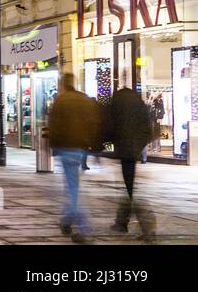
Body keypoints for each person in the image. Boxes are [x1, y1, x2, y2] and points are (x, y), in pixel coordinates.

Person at [47, 73, 100, 240]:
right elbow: (93, 123)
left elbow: (53, 126)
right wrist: (90, 144)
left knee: (72, 188)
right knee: (71, 185)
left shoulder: (60, 101)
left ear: (62, 84)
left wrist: (53, 146)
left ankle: (85, 229)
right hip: (80, 148)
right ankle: (66, 220)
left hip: (65, 148)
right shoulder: (84, 100)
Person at [104, 86, 157, 239]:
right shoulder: (139, 104)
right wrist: (138, 146)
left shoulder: (117, 104)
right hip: (133, 150)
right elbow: (148, 129)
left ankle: (146, 228)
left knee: (129, 190)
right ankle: (122, 222)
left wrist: (105, 143)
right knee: (128, 188)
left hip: (123, 150)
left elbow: (110, 126)